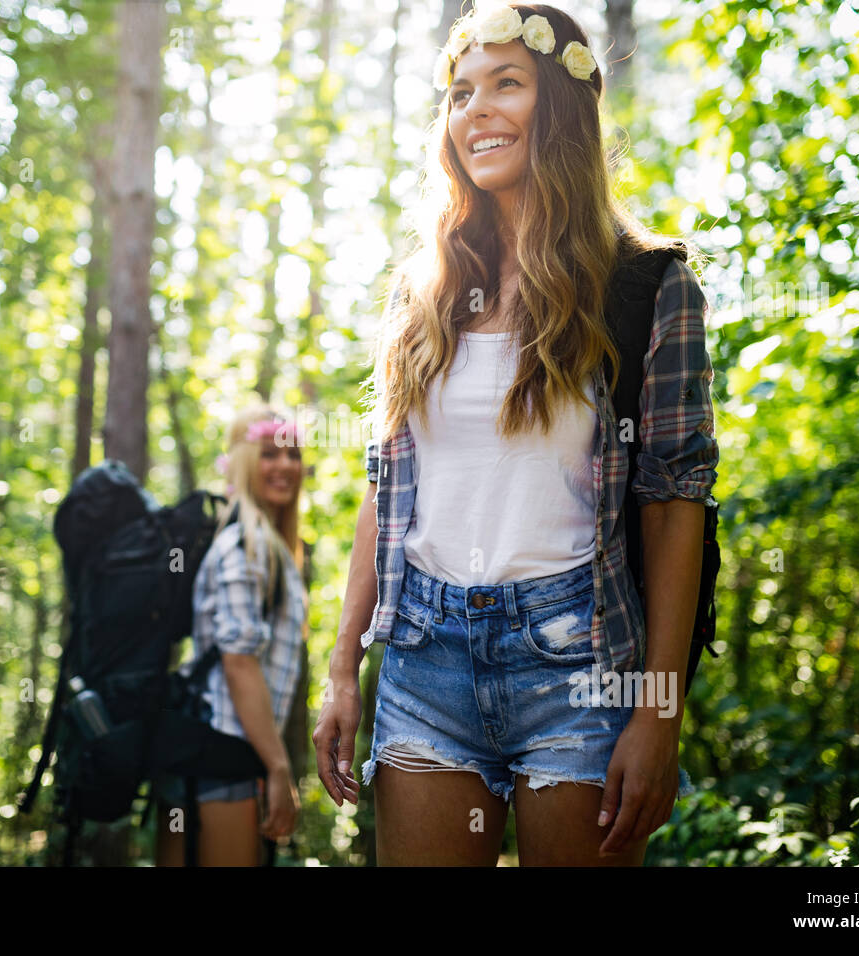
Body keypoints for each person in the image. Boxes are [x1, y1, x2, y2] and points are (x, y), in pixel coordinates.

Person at [313, 2, 719, 866]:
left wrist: (657, 715)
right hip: (425, 656)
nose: (476, 110)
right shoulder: (422, 291)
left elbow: (675, 505)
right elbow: (387, 490)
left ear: (564, 109)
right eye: (460, 92)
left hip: (580, 662)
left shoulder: (648, 284)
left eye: (507, 84)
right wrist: (343, 666)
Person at [154, 404, 309, 866]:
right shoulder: (248, 545)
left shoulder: (265, 545)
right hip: (220, 753)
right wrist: (278, 767)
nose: (284, 465)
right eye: (268, 453)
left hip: (209, 750)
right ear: (242, 462)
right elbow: (238, 663)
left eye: (293, 454)